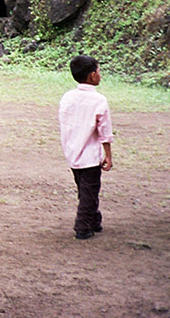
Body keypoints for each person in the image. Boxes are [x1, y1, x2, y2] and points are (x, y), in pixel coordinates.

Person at [58, 54, 114, 240]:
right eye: (98, 71)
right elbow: (104, 131)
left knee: (85, 190)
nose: (100, 75)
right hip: (90, 155)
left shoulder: (67, 97)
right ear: (92, 75)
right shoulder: (99, 100)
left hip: (72, 151)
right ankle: (82, 226)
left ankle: (94, 220)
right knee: (89, 191)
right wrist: (108, 155)